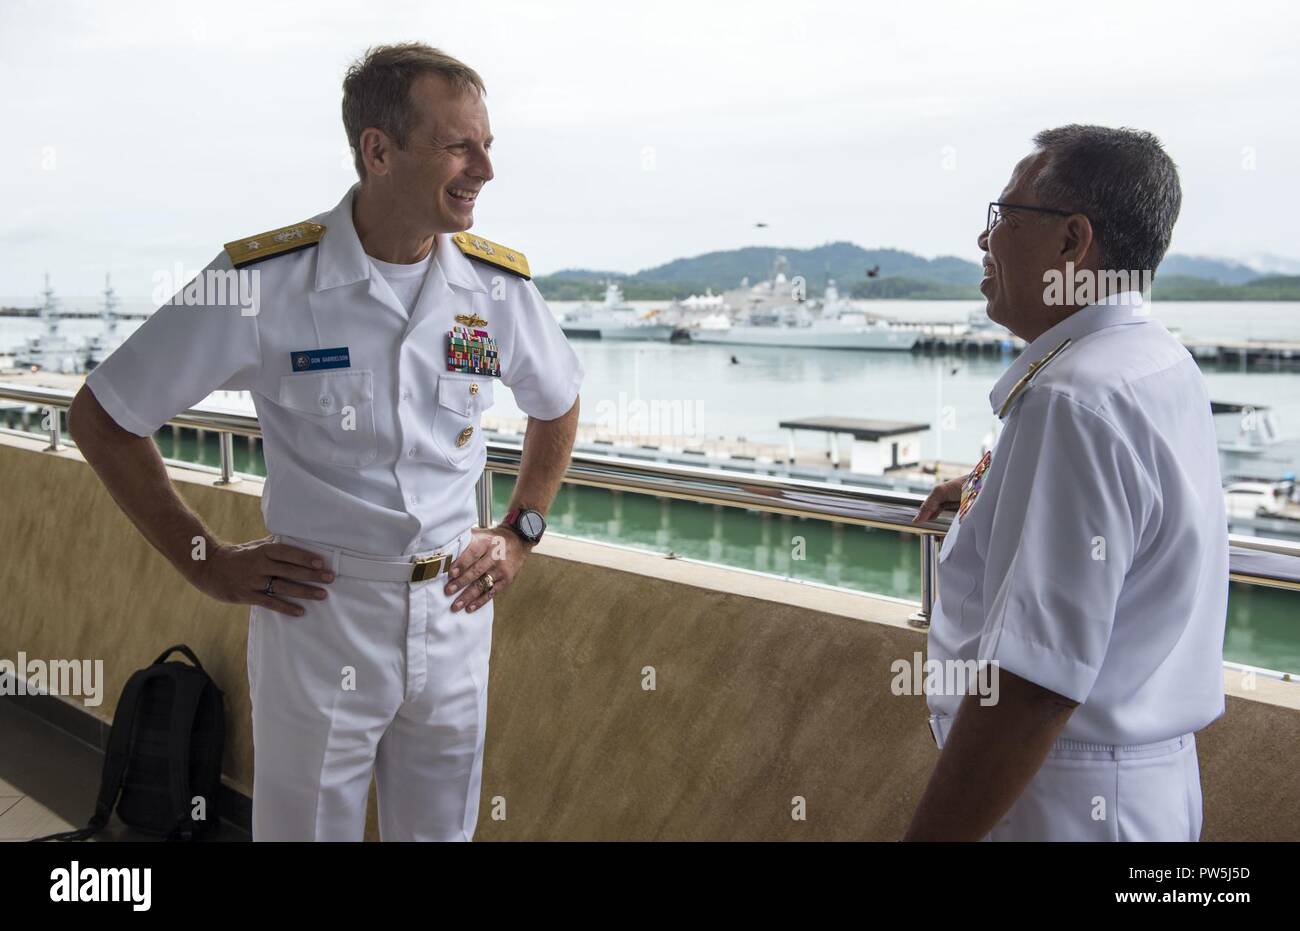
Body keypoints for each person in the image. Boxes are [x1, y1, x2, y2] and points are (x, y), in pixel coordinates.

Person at [68, 43, 582, 841]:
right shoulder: (259, 282)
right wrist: (206, 560)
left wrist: (520, 531)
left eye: (487, 144)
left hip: (454, 606)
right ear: (379, 150)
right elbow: (103, 416)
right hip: (319, 612)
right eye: (458, 144)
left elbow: (560, 400)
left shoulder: (496, 287)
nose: (484, 166)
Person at [905, 125, 1227, 841]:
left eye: (1003, 218)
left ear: (1070, 242)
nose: (983, 242)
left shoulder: (1072, 399)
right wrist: (1000, 489)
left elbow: (1032, 688)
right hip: (1142, 789)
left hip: (1063, 806)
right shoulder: (1153, 358)